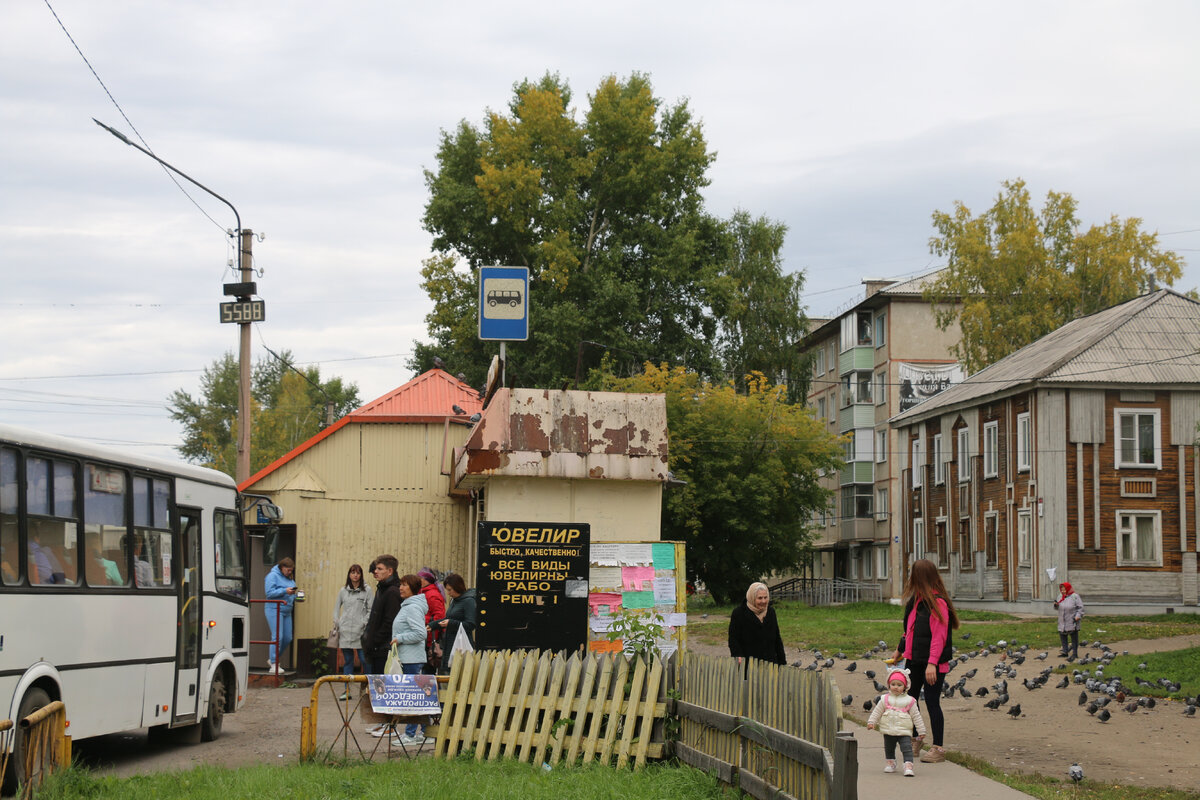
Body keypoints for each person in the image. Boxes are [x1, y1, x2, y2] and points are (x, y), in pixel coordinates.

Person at [891, 558, 959, 764]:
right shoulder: (916, 601)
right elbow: (910, 630)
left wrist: (932, 663)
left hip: (933, 663)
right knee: (910, 700)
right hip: (914, 660)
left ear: (921, 578)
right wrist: (899, 649)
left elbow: (939, 637)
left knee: (932, 702)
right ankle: (916, 739)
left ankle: (938, 748)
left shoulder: (938, 603)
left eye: (914, 575)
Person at [390, 573, 429, 745]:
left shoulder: (412, 607)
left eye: (405, 585)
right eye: (400, 584)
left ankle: (411, 735)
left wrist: (400, 638)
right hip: (407, 658)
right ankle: (426, 732)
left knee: (413, 697)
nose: (401, 587)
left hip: (411, 659)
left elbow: (421, 633)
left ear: (413, 588)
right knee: (417, 696)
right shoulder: (407, 606)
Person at [866, 667, 927, 777]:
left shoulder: (910, 701)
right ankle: (891, 763)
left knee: (907, 748)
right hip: (888, 729)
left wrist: (921, 730)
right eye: (893, 684)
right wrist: (871, 722)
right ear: (889, 685)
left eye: (899, 685)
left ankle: (908, 765)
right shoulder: (884, 699)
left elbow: (916, 716)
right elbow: (877, 711)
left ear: (905, 686)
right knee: (889, 748)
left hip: (904, 730)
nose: (896, 687)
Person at [333, 564, 373, 699]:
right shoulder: (343, 591)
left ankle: (368, 689)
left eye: (358, 572)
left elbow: (371, 609)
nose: (355, 575)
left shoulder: (367, 590)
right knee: (348, 661)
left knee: (364, 660)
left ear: (361, 575)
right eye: (352, 572)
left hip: (360, 632)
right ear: (349, 574)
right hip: (345, 631)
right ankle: (347, 690)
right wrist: (338, 621)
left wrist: (364, 623)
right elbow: (336, 608)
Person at [728, 581, 786, 666]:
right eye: (760, 598)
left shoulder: (771, 612)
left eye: (765, 597)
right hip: (749, 664)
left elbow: (777, 639)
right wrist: (737, 655)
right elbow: (733, 638)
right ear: (752, 597)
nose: (763, 601)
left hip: (770, 664)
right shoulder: (739, 613)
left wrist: (782, 662)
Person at [362, 555, 403, 674]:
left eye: (380, 569)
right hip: (376, 648)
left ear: (390, 571)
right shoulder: (382, 588)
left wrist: (375, 640)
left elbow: (390, 621)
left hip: (384, 649)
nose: (375, 571)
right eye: (376, 568)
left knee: (382, 686)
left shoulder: (392, 591)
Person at [429, 572, 476, 673]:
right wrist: (433, 625)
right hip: (449, 643)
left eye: (450, 590)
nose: (448, 593)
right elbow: (448, 619)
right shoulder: (454, 600)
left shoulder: (468, 601)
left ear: (458, 587)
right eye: (447, 590)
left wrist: (451, 623)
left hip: (461, 645)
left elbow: (471, 624)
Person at [263, 557, 297, 670]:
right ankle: (274, 663)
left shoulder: (290, 579)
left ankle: (274, 658)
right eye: (288, 570)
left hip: (287, 610)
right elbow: (269, 593)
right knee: (278, 636)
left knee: (287, 638)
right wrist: (285, 591)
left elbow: (290, 593)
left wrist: (297, 596)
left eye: (291, 570)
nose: (290, 572)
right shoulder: (272, 576)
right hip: (274, 609)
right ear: (282, 567)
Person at [417, 568, 445, 672]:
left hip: (429, 638)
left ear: (425, 580)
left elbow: (439, 616)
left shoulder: (432, 594)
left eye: (419, 578)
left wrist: (422, 621)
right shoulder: (423, 593)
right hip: (425, 636)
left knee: (427, 670)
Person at [1055, 581, 1085, 660]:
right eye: (1061, 590)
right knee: (1063, 635)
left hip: (1072, 620)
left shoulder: (1075, 596)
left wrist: (1078, 616)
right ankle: (1065, 652)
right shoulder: (1060, 596)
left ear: (1068, 589)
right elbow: (1057, 608)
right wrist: (1056, 605)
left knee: (1074, 637)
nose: (1063, 591)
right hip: (1062, 620)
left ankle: (1075, 653)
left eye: (1064, 590)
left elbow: (1080, 608)